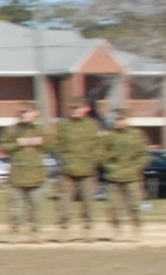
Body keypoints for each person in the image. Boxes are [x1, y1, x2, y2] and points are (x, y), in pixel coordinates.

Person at [48, 97, 104, 243]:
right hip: (67, 170)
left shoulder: (93, 125)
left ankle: (88, 231)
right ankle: (64, 230)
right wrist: (66, 158)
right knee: (64, 202)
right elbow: (56, 143)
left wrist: (93, 161)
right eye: (72, 108)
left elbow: (100, 146)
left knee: (88, 202)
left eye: (77, 108)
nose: (74, 111)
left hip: (88, 171)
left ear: (86, 109)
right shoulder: (64, 124)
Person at [98, 105, 151, 240]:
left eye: (122, 119)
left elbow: (143, 155)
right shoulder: (109, 136)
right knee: (114, 207)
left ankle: (137, 229)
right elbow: (101, 155)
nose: (119, 122)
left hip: (132, 177)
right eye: (117, 120)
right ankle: (117, 231)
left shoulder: (137, 135)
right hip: (114, 177)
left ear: (127, 120)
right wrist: (109, 166)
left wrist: (136, 168)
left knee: (135, 205)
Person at [0, 106, 51, 242]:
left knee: (35, 207)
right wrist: (18, 143)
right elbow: (3, 147)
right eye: (22, 112)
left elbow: (50, 146)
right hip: (18, 174)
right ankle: (15, 233)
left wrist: (41, 142)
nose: (25, 115)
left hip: (37, 174)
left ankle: (35, 234)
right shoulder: (12, 130)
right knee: (16, 207)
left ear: (35, 114)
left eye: (28, 112)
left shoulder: (40, 130)